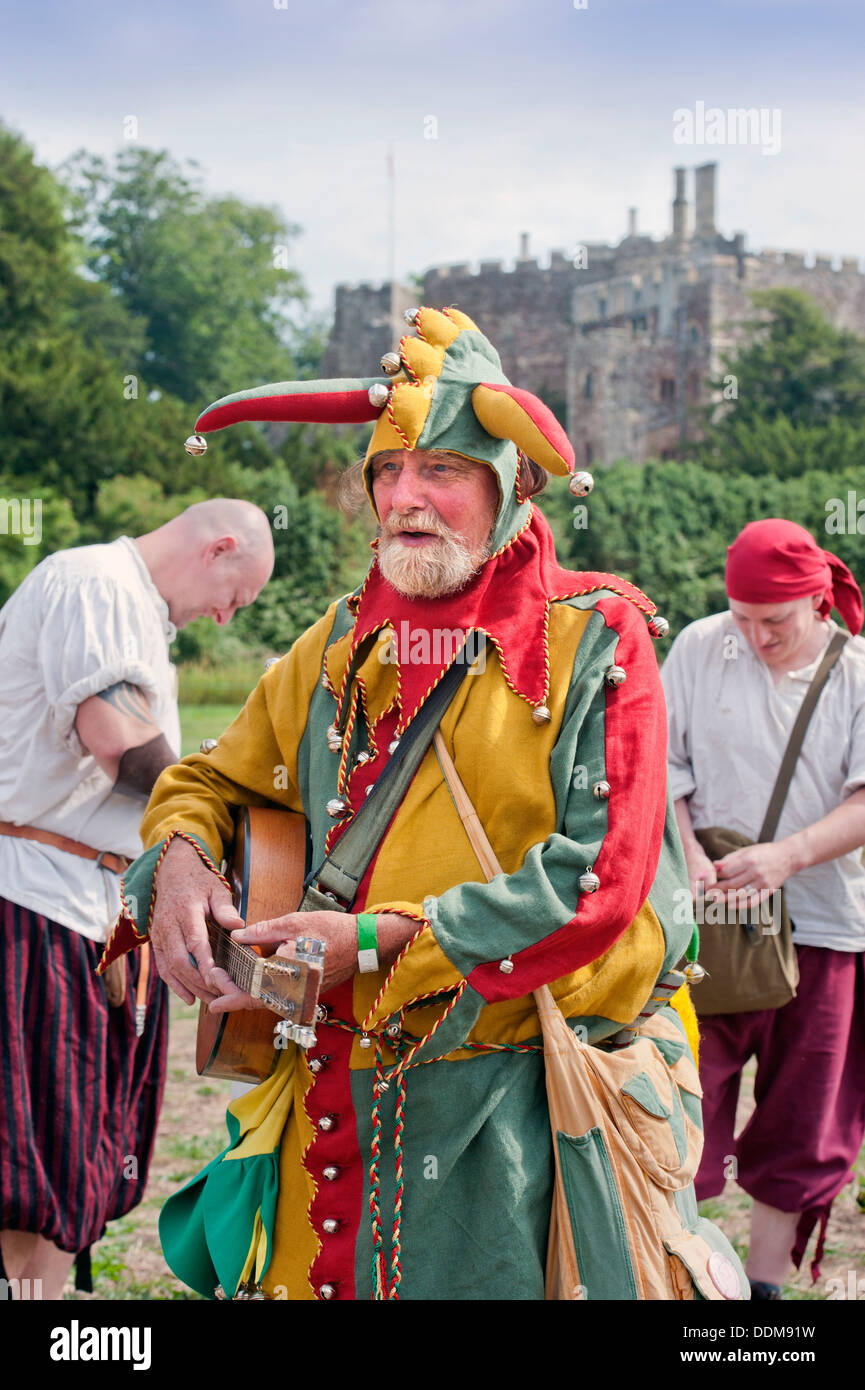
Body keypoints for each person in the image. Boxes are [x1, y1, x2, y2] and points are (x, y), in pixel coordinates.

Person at [102, 307, 744, 1301]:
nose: (406, 497)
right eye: (386, 473)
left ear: (511, 482)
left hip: (508, 1108)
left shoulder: (599, 638)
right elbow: (208, 781)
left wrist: (379, 937)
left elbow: (599, 886)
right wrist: (181, 860)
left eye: (440, 470)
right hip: (328, 1099)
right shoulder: (334, 640)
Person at [0, 498, 274, 1300]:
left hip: (89, 912)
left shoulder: (138, 613)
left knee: (74, 1151)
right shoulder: (96, 581)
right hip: (35, 903)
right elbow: (116, 741)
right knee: (30, 1158)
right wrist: (221, 797)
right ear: (220, 547)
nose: (227, 617)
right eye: (238, 595)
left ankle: (46, 1305)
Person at [660, 518, 865, 1299]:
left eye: (773, 622)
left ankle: (764, 1299)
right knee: (679, 1100)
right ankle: (683, 1278)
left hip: (821, 927)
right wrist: (692, 855)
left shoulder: (851, 673)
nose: (754, 637)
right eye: (741, 618)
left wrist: (785, 857)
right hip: (705, 929)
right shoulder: (698, 646)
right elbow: (664, 765)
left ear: (817, 602)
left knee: (801, 1116)